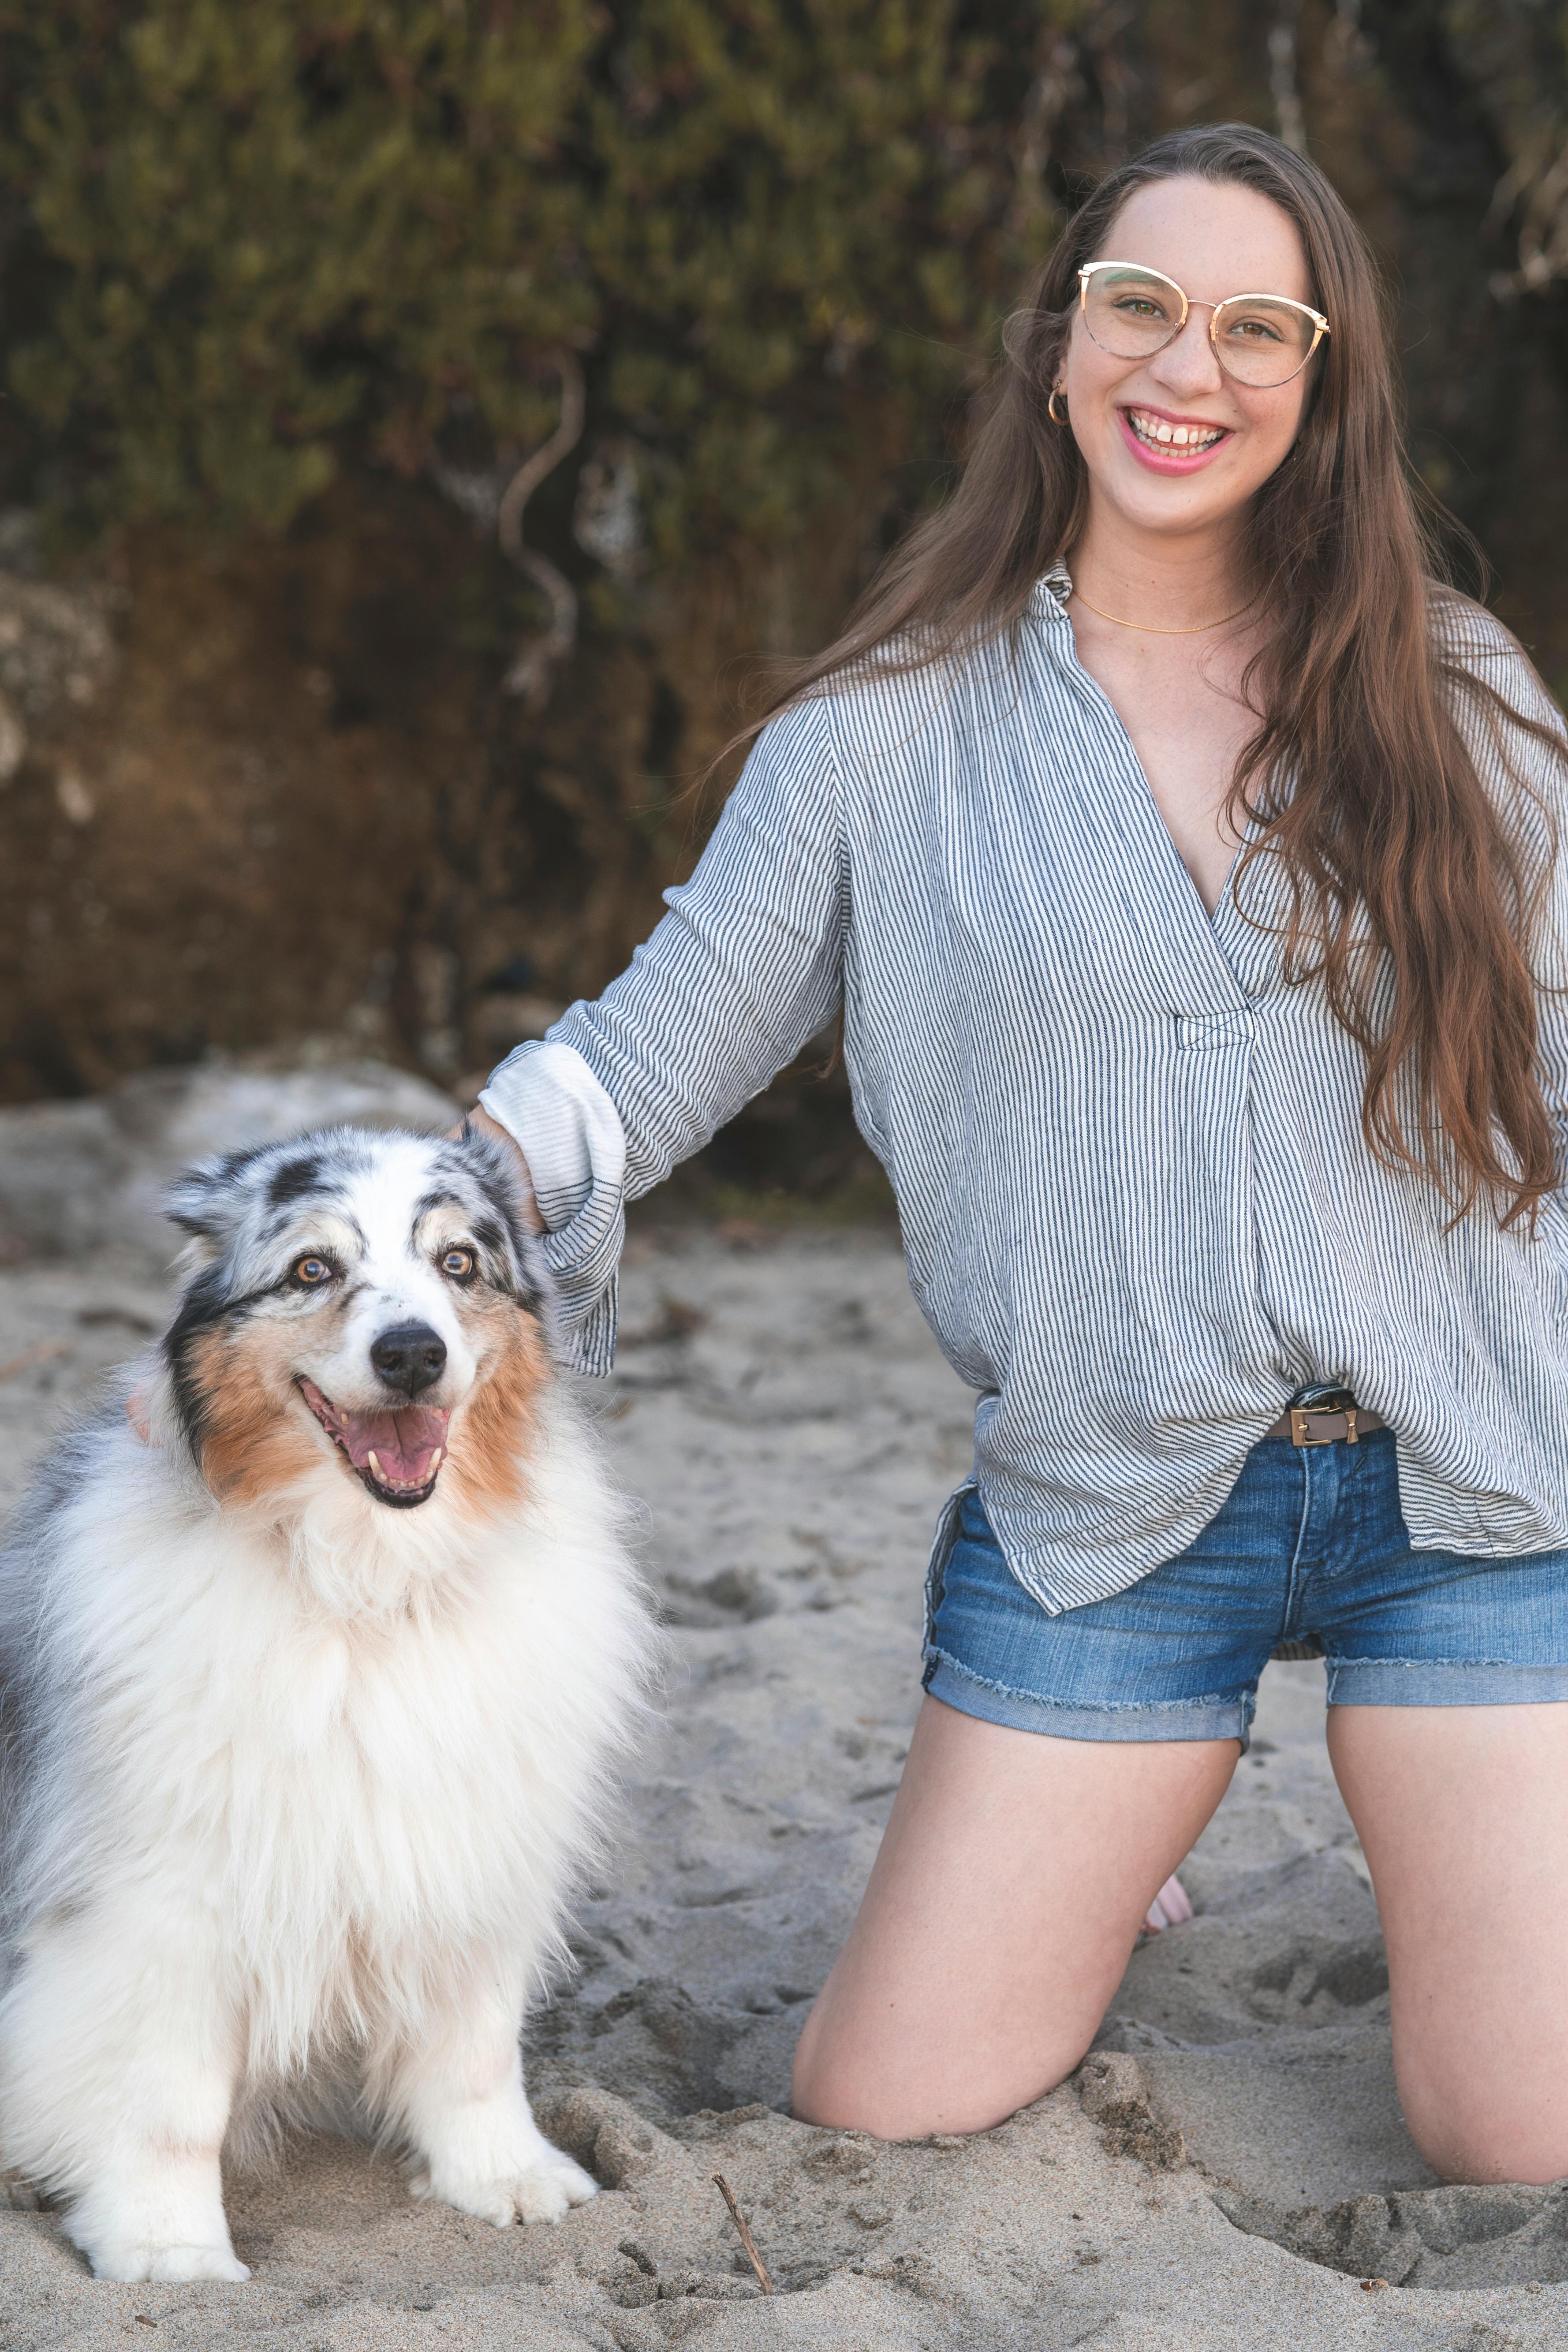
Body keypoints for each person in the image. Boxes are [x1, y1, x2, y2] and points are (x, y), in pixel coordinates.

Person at [469, 124, 1568, 2186]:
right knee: (881, 2097)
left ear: (1320, 389)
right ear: (1058, 345)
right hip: (1114, 1508)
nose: (1191, 366)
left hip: (1476, 1477)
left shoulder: (1462, 695)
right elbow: (644, 1057)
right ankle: (1108, 1834)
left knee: (1517, 2127)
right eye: (1141, 304)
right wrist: (413, 1199)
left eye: (1262, 327)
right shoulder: (874, 740)